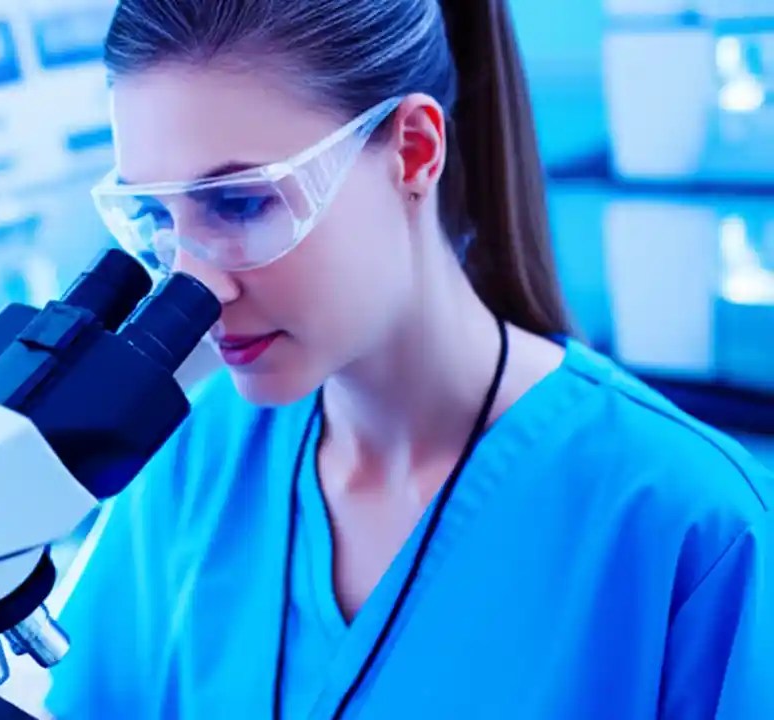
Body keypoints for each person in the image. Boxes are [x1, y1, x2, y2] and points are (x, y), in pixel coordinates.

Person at [44, 0, 774, 718]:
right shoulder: (197, 456)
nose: (195, 286)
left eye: (240, 204)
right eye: (157, 218)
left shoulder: (693, 526)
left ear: (414, 151)